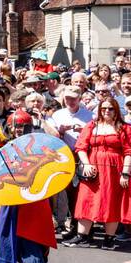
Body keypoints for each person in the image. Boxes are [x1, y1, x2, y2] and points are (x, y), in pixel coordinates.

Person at [0, 109, 56, 263]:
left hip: (32, 202)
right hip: (10, 200)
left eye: (23, 126)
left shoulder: (39, 148)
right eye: (15, 126)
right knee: (11, 238)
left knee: (31, 240)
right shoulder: (4, 147)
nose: (19, 130)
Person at [68, 95, 131, 248]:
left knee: (111, 201)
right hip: (92, 169)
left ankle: (109, 238)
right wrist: (86, 164)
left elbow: (130, 152)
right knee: (86, 200)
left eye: (110, 108)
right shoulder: (91, 126)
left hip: (115, 171)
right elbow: (81, 147)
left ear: (116, 110)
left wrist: (125, 173)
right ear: (99, 110)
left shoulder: (125, 128)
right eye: (103, 108)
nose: (107, 111)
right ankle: (82, 236)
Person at [48, 87, 92, 235]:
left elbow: (95, 135)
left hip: (84, 155)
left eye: (73, 98)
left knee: (82, 191)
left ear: (79, 98)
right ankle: (70, 223)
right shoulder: (57, 114)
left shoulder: (89, 114)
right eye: (67, 98)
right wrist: (60, 131)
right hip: (64, 155)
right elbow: (52, 136)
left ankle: (80, 225)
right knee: (66, 191)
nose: (70, 101)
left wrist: (84, 131)